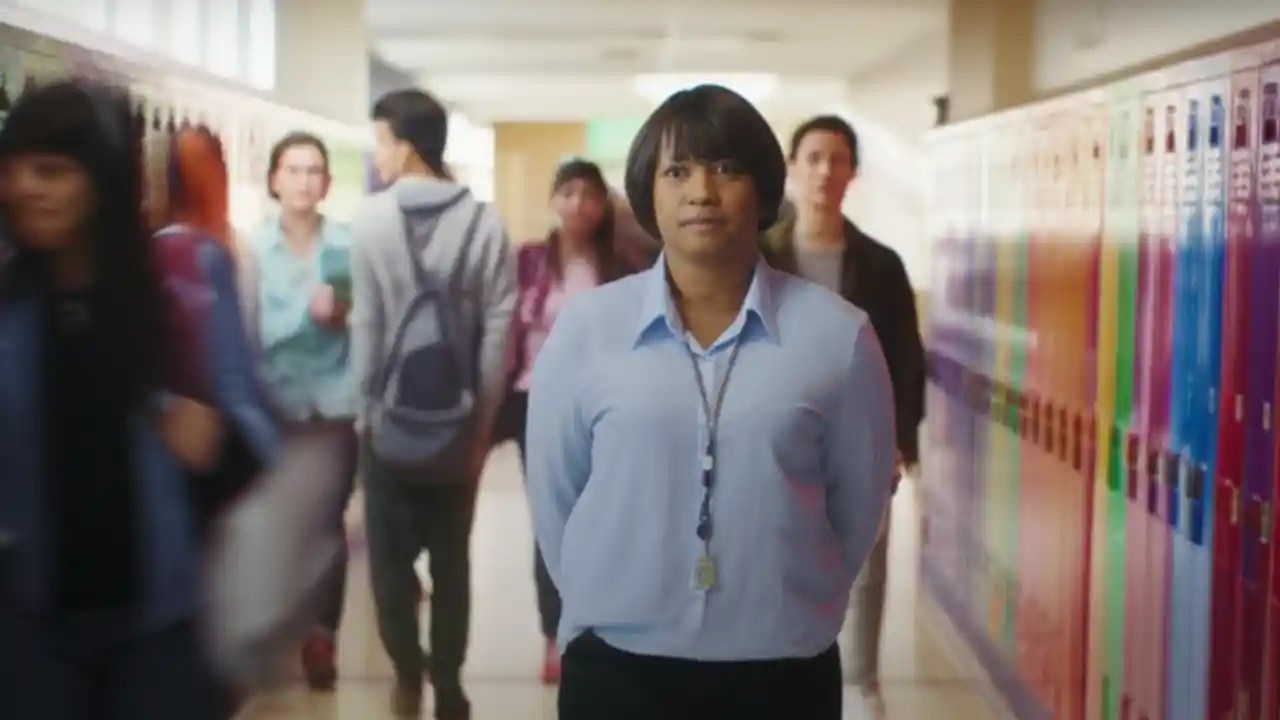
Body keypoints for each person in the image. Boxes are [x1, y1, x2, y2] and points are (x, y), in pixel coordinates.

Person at [525, 84, 896, 720]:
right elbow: (557, 496)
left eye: (726, 168)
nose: (702, 190)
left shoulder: (838, 336)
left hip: (781, 673)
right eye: (678, 171)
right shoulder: (589, 331)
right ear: (648, 193)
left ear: (763, 191)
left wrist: (793, 599)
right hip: (619, 671)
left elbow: (857, 506)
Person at [0, 80, 229, 719]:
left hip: (156, 623)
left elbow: (248, 425)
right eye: (13, 169)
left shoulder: (178, 287)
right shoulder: (11, 306)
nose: (24, 187)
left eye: (50, 171)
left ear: (99, 179)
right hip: (36, 626)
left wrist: (214, 437)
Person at [350, 88, 515, 720]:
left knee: (390, 565)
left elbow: (366, 325)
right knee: (452, 563)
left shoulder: (369, 221)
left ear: (404, 144)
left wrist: (365, 414)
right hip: (458, 422)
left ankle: (406, 675)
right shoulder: (486, 222)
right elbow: (499, 330)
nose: (378, 154)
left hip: (388, 424)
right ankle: (449, 683)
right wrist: (481, 421)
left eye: (382, 141)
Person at [762, 114, 926, 719]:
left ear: (853, 171)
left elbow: (907, 358)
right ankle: (785, 668)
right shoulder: (761, 256)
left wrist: (902, 441)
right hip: (780, 432)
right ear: (791, 168)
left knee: (864, 560)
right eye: (813, 157)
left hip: (861, 433)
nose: (825, 171)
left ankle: (861, 680)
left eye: (837, 159)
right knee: (782, 550)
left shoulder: (880, 265)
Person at [502, 158, 642, 684]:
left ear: (604, 205)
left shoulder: (623, 265)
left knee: (605, 520)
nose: (578, 204)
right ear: (554, 200)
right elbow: (508, 330)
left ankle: (604, 626)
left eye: (589, 195)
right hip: (535, 402)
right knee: (551, 522)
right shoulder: (529, 261)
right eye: (569, 193)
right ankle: (554, 634)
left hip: (605, 409)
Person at [242, 131, 357, 691]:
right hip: (276, 406)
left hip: (335, 404)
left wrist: (345, 321)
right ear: (273, 180)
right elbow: (252, 334)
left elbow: (363, 321)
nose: (305, 180)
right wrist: (308, 321)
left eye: (314, 171)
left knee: (328, 528)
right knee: (280, 526)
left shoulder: (345, 246)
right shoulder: (252, 251)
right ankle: (281, 628)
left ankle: (321, 637)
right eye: (294, 170)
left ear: (328, 183)